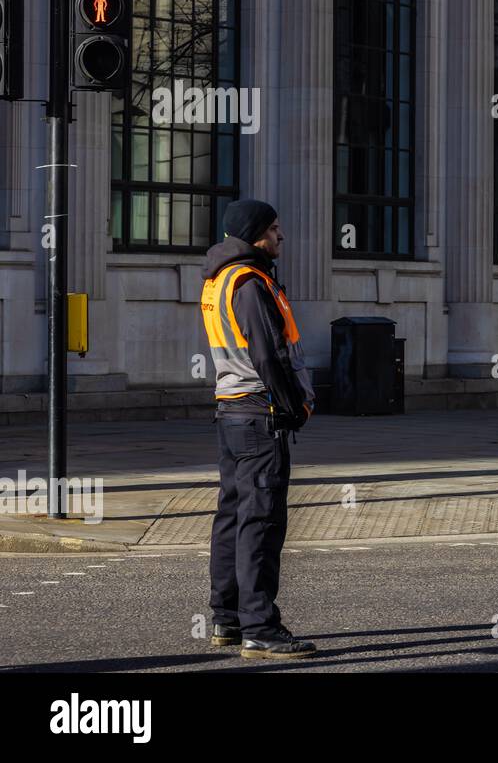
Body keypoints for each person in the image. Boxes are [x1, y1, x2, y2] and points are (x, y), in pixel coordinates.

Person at [200, 200, 316, 659]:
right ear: (253, 234)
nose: (281, 235)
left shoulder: (220, 277)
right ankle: (261, 629)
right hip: (259, 411)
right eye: (273, 228)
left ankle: (227, 620)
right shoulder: (249, 282)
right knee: (261, 522)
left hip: (232, 410)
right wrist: (295, 406)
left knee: (231, 516)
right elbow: (269, 355)